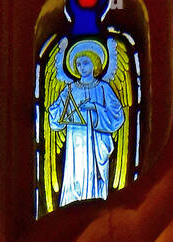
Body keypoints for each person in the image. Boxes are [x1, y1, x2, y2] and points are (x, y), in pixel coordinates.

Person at [48, 38, 125, 205]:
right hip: (76, 141)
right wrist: (60, 111)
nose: (82, 68)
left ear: (95, 64)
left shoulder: (103, 88)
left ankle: (96, 204)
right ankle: (72, 205)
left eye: (86, 63)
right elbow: (56, 116)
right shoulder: (70, 89)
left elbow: (117, 115)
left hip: (97, 142)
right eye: (79, 64)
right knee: (76, 172)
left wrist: (95, 107)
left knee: (95, 177)